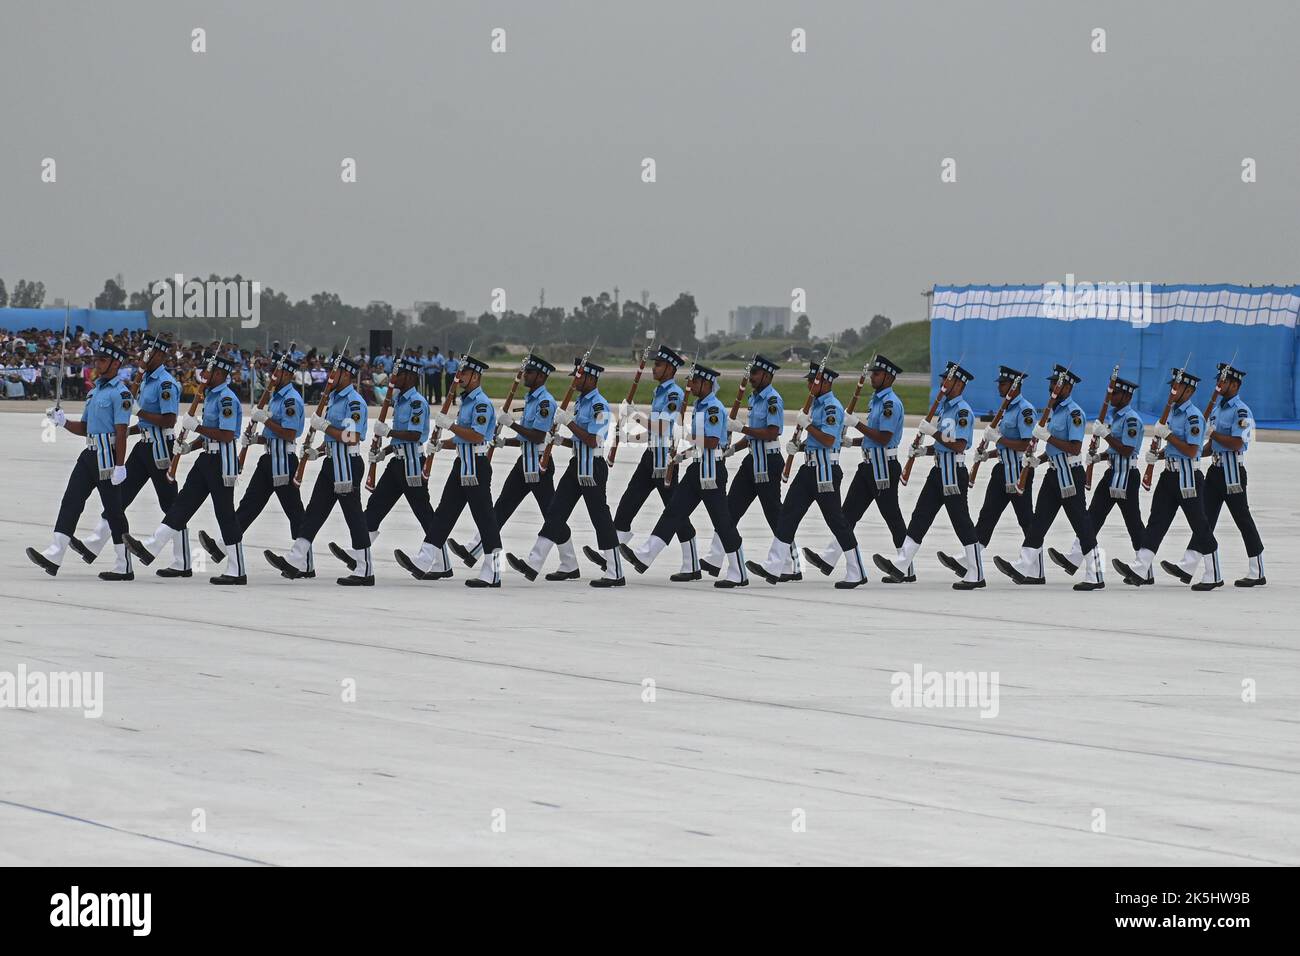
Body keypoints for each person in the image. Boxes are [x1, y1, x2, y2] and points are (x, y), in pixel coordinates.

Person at [69, 334, 192, 576]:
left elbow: (169, 420)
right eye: (145, 350)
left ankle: (183, 562)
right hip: (143, 447)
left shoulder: (165, 383)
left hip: (159, 449)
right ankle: (94, 543)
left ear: (162, 355)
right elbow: (143, 420)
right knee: (119, 497)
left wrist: (140, 412)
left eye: (151, 351)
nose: (146, 354)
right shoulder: (145, 379)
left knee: (170, 504)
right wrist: (127, 430)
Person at [124, 352, 248, 584]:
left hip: (222, 462)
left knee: (225, 514)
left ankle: (237, 569)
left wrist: (197, 428)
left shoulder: (226, 399)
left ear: (220, 373)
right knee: (182, 504)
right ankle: (152, 547)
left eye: (208, 371)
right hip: (206, 459)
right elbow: (212, 432)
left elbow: (227, 434)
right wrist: (190, 447)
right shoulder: (210, 395)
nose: (203, 375)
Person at [622, 363, 748, 586]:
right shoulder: (700, 406)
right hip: (697, 468)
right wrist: (684, 454)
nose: (691, 386)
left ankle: (739, 572)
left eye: (696, 382)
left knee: (722, 522)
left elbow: (711, 442)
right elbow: (701, 444)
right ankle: (645, 556)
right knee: (673, 512)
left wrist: (688, 439)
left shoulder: (712, 409)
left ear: (707, 384)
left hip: (711, 473)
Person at [448, 354, 571, 575]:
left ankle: (569, 563)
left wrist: (512, 424)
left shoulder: (545, 402)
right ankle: (473, 549)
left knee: (552, 515)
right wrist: (505, 441)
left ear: (542, 376)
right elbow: (527, 438)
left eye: (531, 372)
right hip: (525, 461)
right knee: (502, 506)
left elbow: (537, 436)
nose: (526, 375)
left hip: (539, 465)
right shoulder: (532, 399)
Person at [507, 359, 625, 587]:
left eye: (579, 377)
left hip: (592, 467)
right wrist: (562, 440)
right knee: (555, 512)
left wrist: (569, 423)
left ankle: (615, 571)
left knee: (600, 518)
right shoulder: (581, 402)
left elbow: (592, 440)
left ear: (591, 378)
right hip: (576, 465)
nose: (575, 381)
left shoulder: (599, 406)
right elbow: (580, 441)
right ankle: (534, 563)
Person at [748, 361, 866, 588]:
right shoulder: (816, 405)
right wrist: (799, 447)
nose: (810, 385)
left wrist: (808, 425)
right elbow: (815, 441)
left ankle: (856, 570)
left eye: (814, 381)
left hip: (825, 472)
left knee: (837, 521)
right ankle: (773, 566)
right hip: (808, 469)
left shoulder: (831, 407)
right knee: (787, 515)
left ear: (826, 383)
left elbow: (829, 440)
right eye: (810, 381)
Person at [197, 352, 313, 578]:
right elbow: (273, 433)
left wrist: (265, 420)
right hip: (269, 458)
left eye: (278, 371)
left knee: (294, 512)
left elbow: (289, 434)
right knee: (249, 504)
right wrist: (255, 439)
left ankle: (305, 563)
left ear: (289, 374)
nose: (273, 375)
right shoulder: (277, 396)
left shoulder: (290, 399)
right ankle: (222, 547)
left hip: (283, 461)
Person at [393, 354, 504, 587]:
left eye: (463, 373)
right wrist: (444, 444)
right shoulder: (467, 402)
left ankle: (494, 572)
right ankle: (424, 561)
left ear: (475, 376)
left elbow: (477, 435)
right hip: (462, 463)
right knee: (444, 513)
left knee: (485, 520)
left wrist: (450, 426)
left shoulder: (481, 403)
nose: (459, 376)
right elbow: (464, 437)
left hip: (476, 466)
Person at [873, 362, 986, 589]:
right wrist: (925, 450)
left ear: (959, 383)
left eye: (948, 380)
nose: (943, 383)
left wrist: (932, 432)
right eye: (944, 379)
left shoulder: (962, 411)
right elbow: (945, 444)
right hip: (939, 470)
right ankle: (902, 564)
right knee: (920, 517)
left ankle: (976, 574)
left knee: (961, 522)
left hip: (954, 473)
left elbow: (959, 445)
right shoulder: (945, 407)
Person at [26, 343, 134, 580]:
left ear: (116, 363)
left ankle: (123, 564)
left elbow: (121, 431)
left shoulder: (121, 393)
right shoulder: (94, 391)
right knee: (71, 501)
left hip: (108, 456)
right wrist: (64, 422)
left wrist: (120, 465)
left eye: (103, 360)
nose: (97, 363)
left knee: (114, 511)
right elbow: (85, 428)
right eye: (97, 359)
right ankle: (55, 554)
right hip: (89, 454)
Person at [264, 354, 374, 585]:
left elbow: (351, 437)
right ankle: (296, 560)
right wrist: (319, 451)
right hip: (332, 462)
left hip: (347, 465)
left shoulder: (354, 402)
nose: (330, 377)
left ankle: (365, 570)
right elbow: (334, 439)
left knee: (354, 517)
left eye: (335, 373)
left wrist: (324, 425)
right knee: (313, 513)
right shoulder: (334, 398)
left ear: (347, 374)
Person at [994, 365, 1105, 590]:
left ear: (1068, 387)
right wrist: (1040, 460)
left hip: (1070, 475)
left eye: (1058, 384)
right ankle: (1025, 566)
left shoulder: (1074, 413)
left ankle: (1096, 575)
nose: (1052, 387)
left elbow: (1074, 448)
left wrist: (1048, 437)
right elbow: (1055, 449)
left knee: (1082, 524)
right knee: (1039, 522)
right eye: (1052, 383)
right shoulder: (1055, 411)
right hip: (1054, 472)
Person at [1113, 369, 1223, 590]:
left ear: (1189, 390)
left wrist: (1167, 435)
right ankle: (1140, 567)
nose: (1173, 390)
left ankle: (1214, 573)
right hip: (1169, 475)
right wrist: (1159, 454)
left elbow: (1193, 451)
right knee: (1157, 521)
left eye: (1178, 386)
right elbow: (1175, 447)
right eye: (1173, 385)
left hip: (1188, 477)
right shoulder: (1172, 412)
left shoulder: (1194, 417)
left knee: (1199, 525)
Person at [805, 354, 908, 581]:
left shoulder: (890, 403)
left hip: (883, 467)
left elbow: (884, 438)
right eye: (873, 372)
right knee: (848, 513)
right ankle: (830, 557)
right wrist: (853, 441)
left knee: (892, 516)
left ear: (889, 378)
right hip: (868, 465)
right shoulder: (877, 401)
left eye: (877, 373)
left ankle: (906, 566)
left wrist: (857, 424)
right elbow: (875, 438)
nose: (873, 376)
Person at [1164, 363, 1264, 587]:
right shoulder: (1218, 410)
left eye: (1225, 381)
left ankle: (1257, 570)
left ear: (1235, 385)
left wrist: (1213, 434)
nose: (1220, 384)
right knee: (1204, 518)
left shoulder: (1241, 411)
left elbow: (1238, 442)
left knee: (1242, 519)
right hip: (1215, 471)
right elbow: (1211, 445)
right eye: (1219, 380)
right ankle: (1188, 565)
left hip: (1232, 472)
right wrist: (1197, 451)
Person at [609, 345, 698, 580]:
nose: (653, 368)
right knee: (628, 503)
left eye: (658, 365)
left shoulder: (673, 395)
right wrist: (629, 437)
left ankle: (692, 564)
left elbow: (665, 427)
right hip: (651, 457)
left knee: (675, 513)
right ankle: (611, 555)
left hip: (665, 461)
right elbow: (654, 431)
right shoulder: (659, 392)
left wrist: (635, 414)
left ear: (670, 368)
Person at [1047, 376, 1147, 582]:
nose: (1112, 397)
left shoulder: (1131, 420)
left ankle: (1144, 569)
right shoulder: (1116, 417)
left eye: (1116, 394)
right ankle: (1074, 558)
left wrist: (1106, 435)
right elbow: (1115, 450)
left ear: (1127, 396)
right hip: (1112, 473)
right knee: (1092, 517)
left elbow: (1127, 450)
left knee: (1133, 523)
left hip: (1127, 476)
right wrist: (1099, 456)